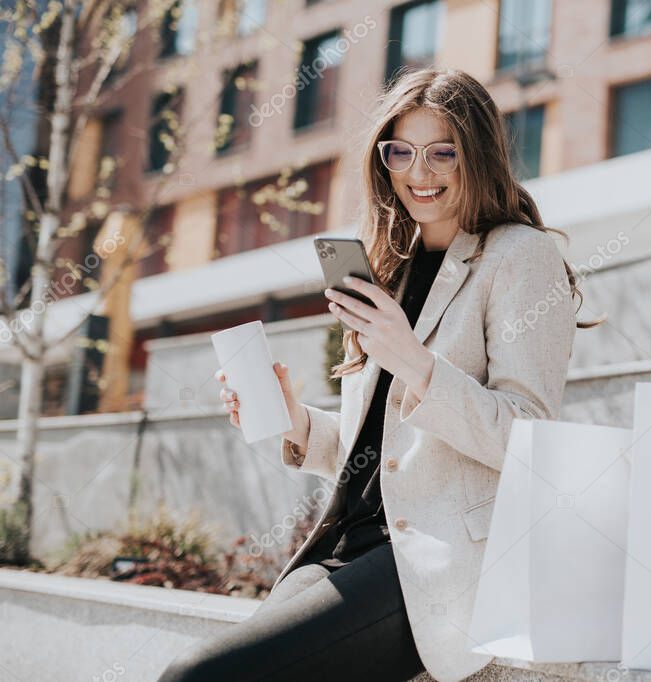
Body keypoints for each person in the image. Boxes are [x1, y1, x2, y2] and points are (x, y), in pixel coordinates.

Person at [159, 67, 602, 682]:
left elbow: (528, 437)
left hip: (433, 562)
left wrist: (414, 361)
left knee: (197, 676)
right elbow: (377, 452)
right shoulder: (389, 269)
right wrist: (291, 418)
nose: (419, 173)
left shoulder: (519, 256)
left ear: (477, 155)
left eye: (441, 153)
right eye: (401, 152)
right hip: (347, 543)